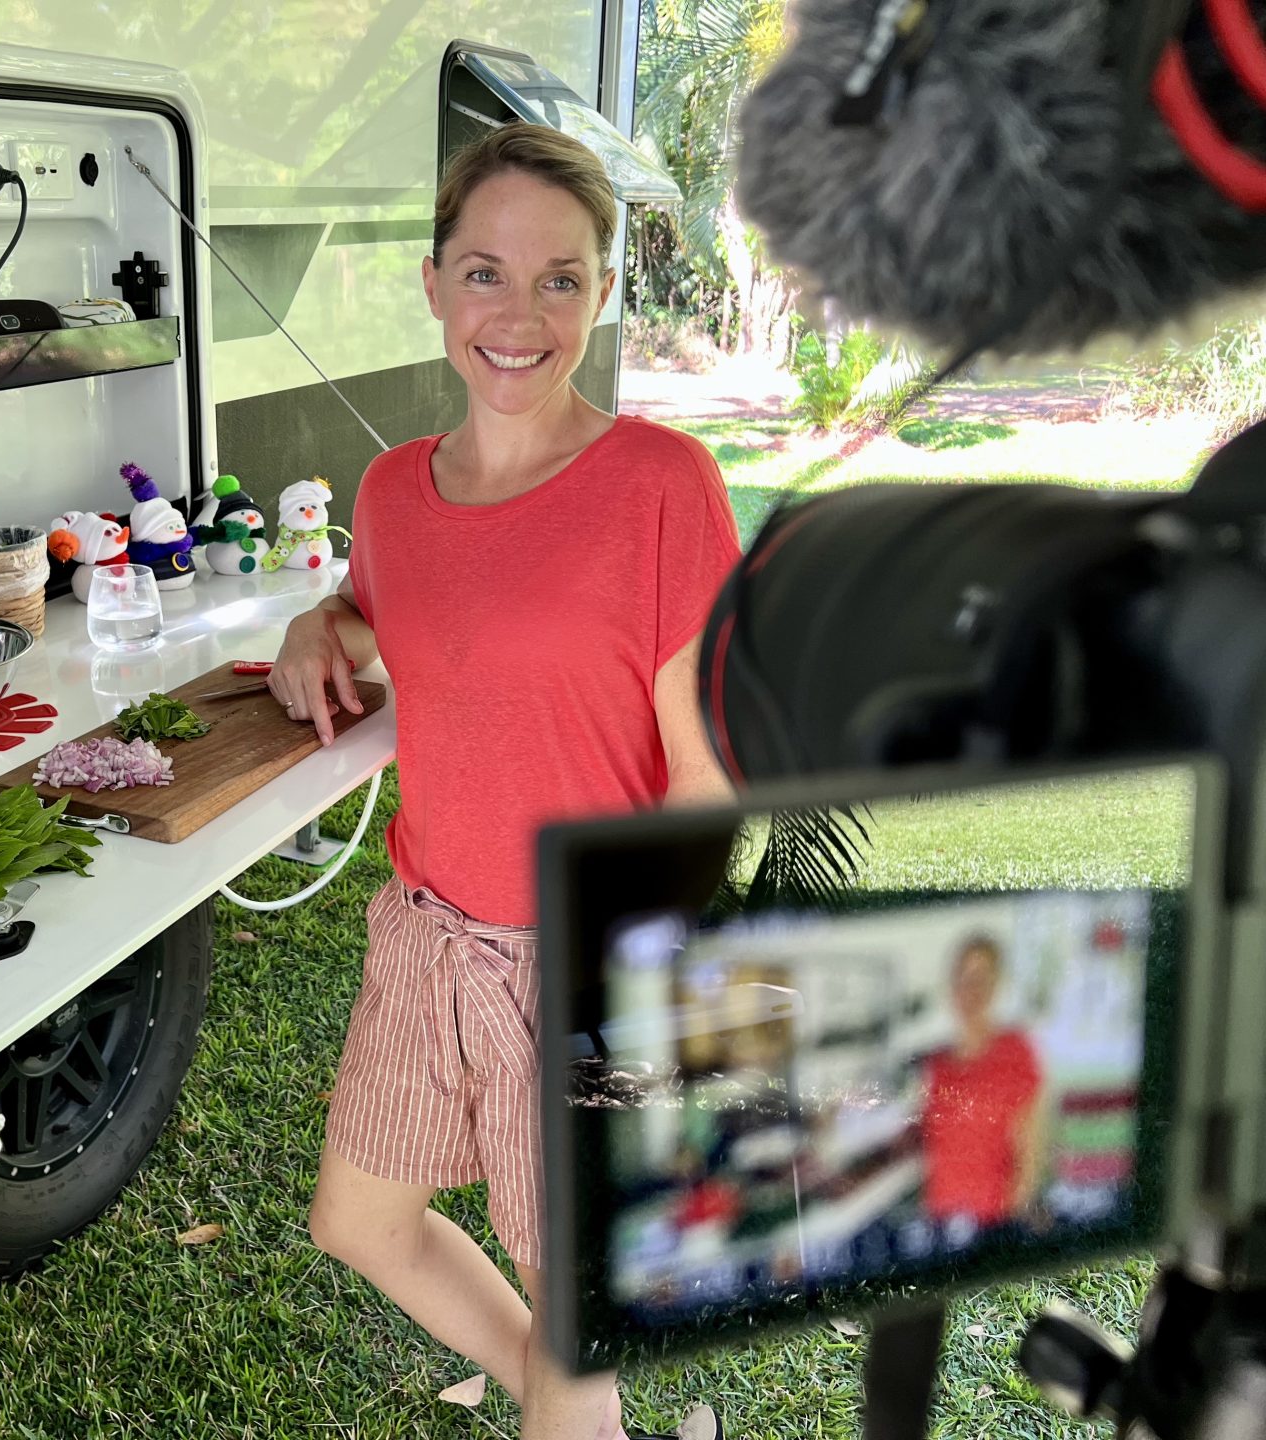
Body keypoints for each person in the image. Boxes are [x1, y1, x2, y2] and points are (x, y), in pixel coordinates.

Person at [269, 122, 741, 1440]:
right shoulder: (390, 491)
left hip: (586, 959)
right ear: (433, 284)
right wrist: (319, 622)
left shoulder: (660, 486)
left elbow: (708, 777)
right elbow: (391, 612)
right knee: (358, 1219)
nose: (520, 316)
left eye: (560, 279)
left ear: (602, 293)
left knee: (574, 1327)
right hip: (429, 937)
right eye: (485, 272)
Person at [919, 935, 1046, 1228]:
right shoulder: (936, 1063)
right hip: (940, 1218)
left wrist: (1014, 1213)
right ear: (951, 986)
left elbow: (1031, 1146)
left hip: (994, 1219)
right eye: (963, 978)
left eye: (981, 978)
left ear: (996, 984)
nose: (971, 990)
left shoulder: (1015, 1049)